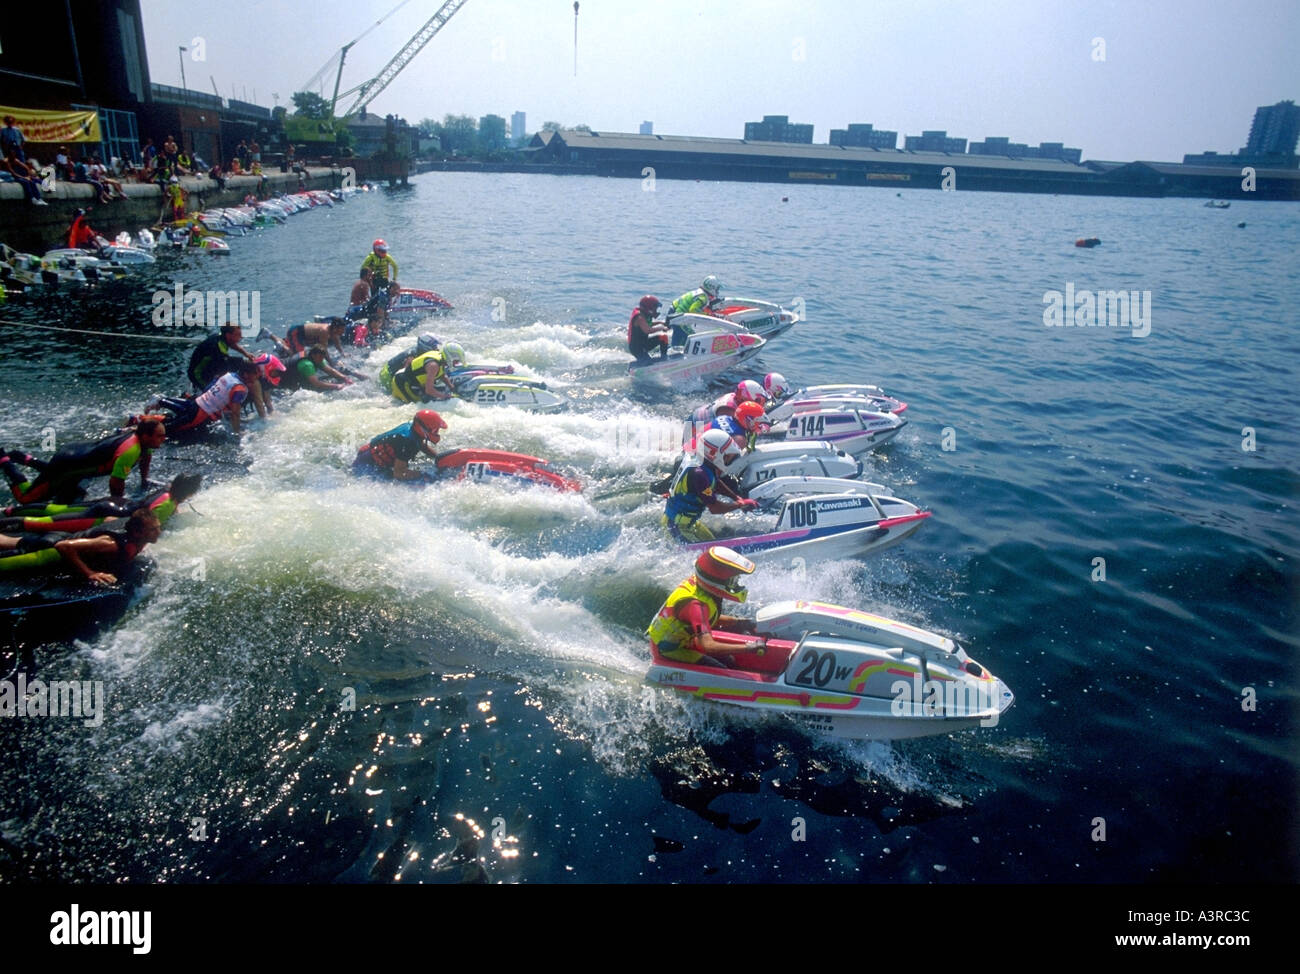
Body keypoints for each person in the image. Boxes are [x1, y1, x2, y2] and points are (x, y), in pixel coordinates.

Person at [646, 546, 764, 668]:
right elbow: (708, 645)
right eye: (733, 581)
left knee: (730, 660)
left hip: (684, 639)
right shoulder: (695, 605)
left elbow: (703, 618)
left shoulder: (701, 585)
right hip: (668, 650)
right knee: (722, 669)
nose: (736, 584)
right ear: (716, 581)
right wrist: (749, 647)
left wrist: (738, 622)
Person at [3, 419, 167, 504]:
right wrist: (118, 505)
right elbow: (116, 482)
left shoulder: (145, 443)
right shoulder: (130, 451)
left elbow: (147, 457)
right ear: (146, 436)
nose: (163, 439)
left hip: (76, 456)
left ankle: (23, 458)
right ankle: (4, 460)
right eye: (159, 436)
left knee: (69, 486)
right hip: (66, 464)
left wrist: (144, 479)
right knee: (26, 499)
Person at [0, 509, 162, 587]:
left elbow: (109, 520)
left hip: (58, 539)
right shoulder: (110, 544)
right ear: (137, 532)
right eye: (153, 529)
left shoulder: (137, 535)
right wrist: (90, 573)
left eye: (158, 527)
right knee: (6, 563)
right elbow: (63, 547)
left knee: (13, 542)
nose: (158, 532)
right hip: (51, 550)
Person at [0, 473, 201, 534]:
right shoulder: (167, 505)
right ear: (189, 491)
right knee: (50, 524)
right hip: (108, 515)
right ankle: (7, 524)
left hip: (113, 502)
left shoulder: (167, 491)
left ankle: (8, 511)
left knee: (58, 510)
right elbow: (144, 525)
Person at [662, 428, 758, 542]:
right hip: (677, 527)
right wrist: (738, 505)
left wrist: (736, 498)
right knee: (709, 554)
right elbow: (715, 508)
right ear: (714, 454)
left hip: (689, 522)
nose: (728, 460)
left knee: (715, 545)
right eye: (727, 457)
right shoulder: (699, 473)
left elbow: (714, 482)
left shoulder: (700, 461)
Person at [146, 362, 261, 436]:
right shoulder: (240, 389)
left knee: (179, 414)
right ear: (246, 374)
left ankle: (160, 402)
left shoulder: (229, 375)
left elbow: (212, 384)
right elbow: (235, 413)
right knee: (169, 430)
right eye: (255, 374)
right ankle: (140, 427)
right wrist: (237, 432)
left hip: (197, 402)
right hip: (200, 413)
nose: (257, 378)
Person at [353, 410, 448, 482]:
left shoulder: (413, 428)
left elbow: (421, 445)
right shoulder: (407, 442)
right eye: (435, 430)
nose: (437, 433)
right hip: (367, 465)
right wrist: (427, 475)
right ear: (422, 428)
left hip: (367, 452)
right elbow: (399, 473)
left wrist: (438, 458)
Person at [391, 342, 463, 403]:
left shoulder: (440, 357)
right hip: (402, 384)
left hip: (412, 381)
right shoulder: (433, 365)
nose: (457, 363)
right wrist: (446, 396)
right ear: (450, 357)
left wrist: (452, 387)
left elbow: (442, 374)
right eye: (456, 361)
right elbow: (429, 390)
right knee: (417, 404)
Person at [188, 323, 254, 389]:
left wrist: (246, 354)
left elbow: (232, 344)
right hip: (197, 375)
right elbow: (225, 367)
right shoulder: (218, 348)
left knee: (240, 362)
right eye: (238, 335)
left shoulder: (221, 336)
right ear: (228, 335)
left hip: (212, 363)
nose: (241, 337)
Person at [668, 275, 726, 346]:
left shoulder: (700, 293)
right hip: (678, 316)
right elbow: (693, 310)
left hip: (673, 312)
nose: (717, 291)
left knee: (679, 334)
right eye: (717, 289)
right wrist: (708, 316)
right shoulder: (703, 297)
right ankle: (675, 352)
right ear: (711, 288)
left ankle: (673, 348)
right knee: (691, 337)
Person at [628, 295, 669, 365]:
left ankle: (664, 358)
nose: (656, 310)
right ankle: (641, 364)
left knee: (663, 338)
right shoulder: (639, 317)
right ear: (649, 308)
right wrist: (661, 328)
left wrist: (660, 323)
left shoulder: (645, 315)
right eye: (655, 308)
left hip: (644, 342)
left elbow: (648, 324)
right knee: (648, 362)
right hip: (637, 347)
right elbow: (648, 330)